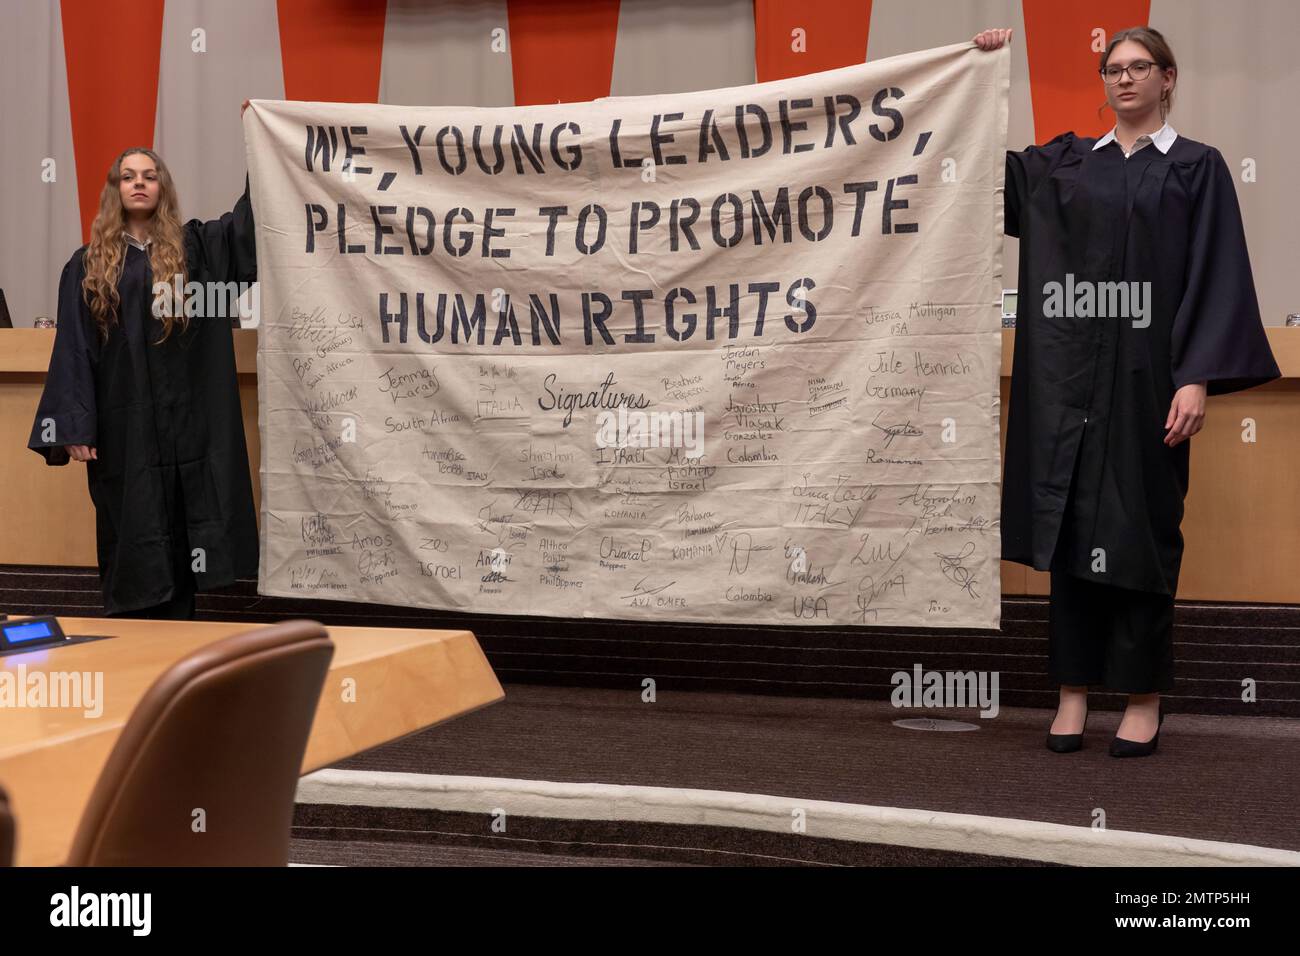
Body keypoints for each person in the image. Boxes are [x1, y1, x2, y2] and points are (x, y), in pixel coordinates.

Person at [973, 28, 1280, 756]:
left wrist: (1197, 376)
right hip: (1067, 383)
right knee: (1074, 532)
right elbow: (980, 181)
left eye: (1140, 67)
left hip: (1148, 383)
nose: (1125, 79)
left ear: (1168, 78)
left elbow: (1217, 275)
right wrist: (983, 71)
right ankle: (1073, 691)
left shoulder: (1197, 169)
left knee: (1140, 533)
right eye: (1113, 69)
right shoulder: (1068, 164)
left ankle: (1142, 698)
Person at [28, 102, 259, 619]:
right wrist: (73, 423)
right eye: (128, 176)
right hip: (125, 426)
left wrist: (261, 140)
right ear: (115, 189)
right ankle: (132, 645)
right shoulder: (88, 265)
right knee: (133, 528)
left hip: (189, 426)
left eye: (150, 176)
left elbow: (250, 229)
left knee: (184, 528)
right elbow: (75, 348)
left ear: (162, 188)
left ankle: (179, 641)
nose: (139, 183)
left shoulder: (196, 248)